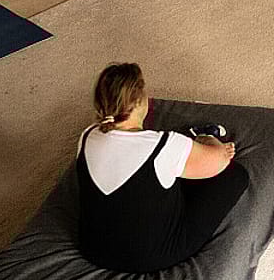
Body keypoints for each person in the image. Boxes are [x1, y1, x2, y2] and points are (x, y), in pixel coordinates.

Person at [76, 63, 248, 272]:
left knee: (162, 174)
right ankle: (204, 138)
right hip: (152, 257)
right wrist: (210, 140)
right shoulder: (164, 144)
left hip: (93, 249)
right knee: (235, 176)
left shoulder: (87, 136)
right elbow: (221, 160)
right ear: (140, 101)